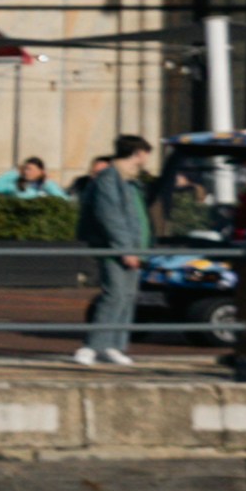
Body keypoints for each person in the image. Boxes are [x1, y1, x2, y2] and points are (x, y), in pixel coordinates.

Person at [71, 133, 154, 367]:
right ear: (138, 153)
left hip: (135, 249)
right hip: (117, 249)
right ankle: (91, 346)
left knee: (127, 296)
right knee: (114, 295)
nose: (146, 160)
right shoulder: (110, 178)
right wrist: (125, 249)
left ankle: (114, 345)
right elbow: (111, 216)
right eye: (146, 154)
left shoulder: (130, 180)